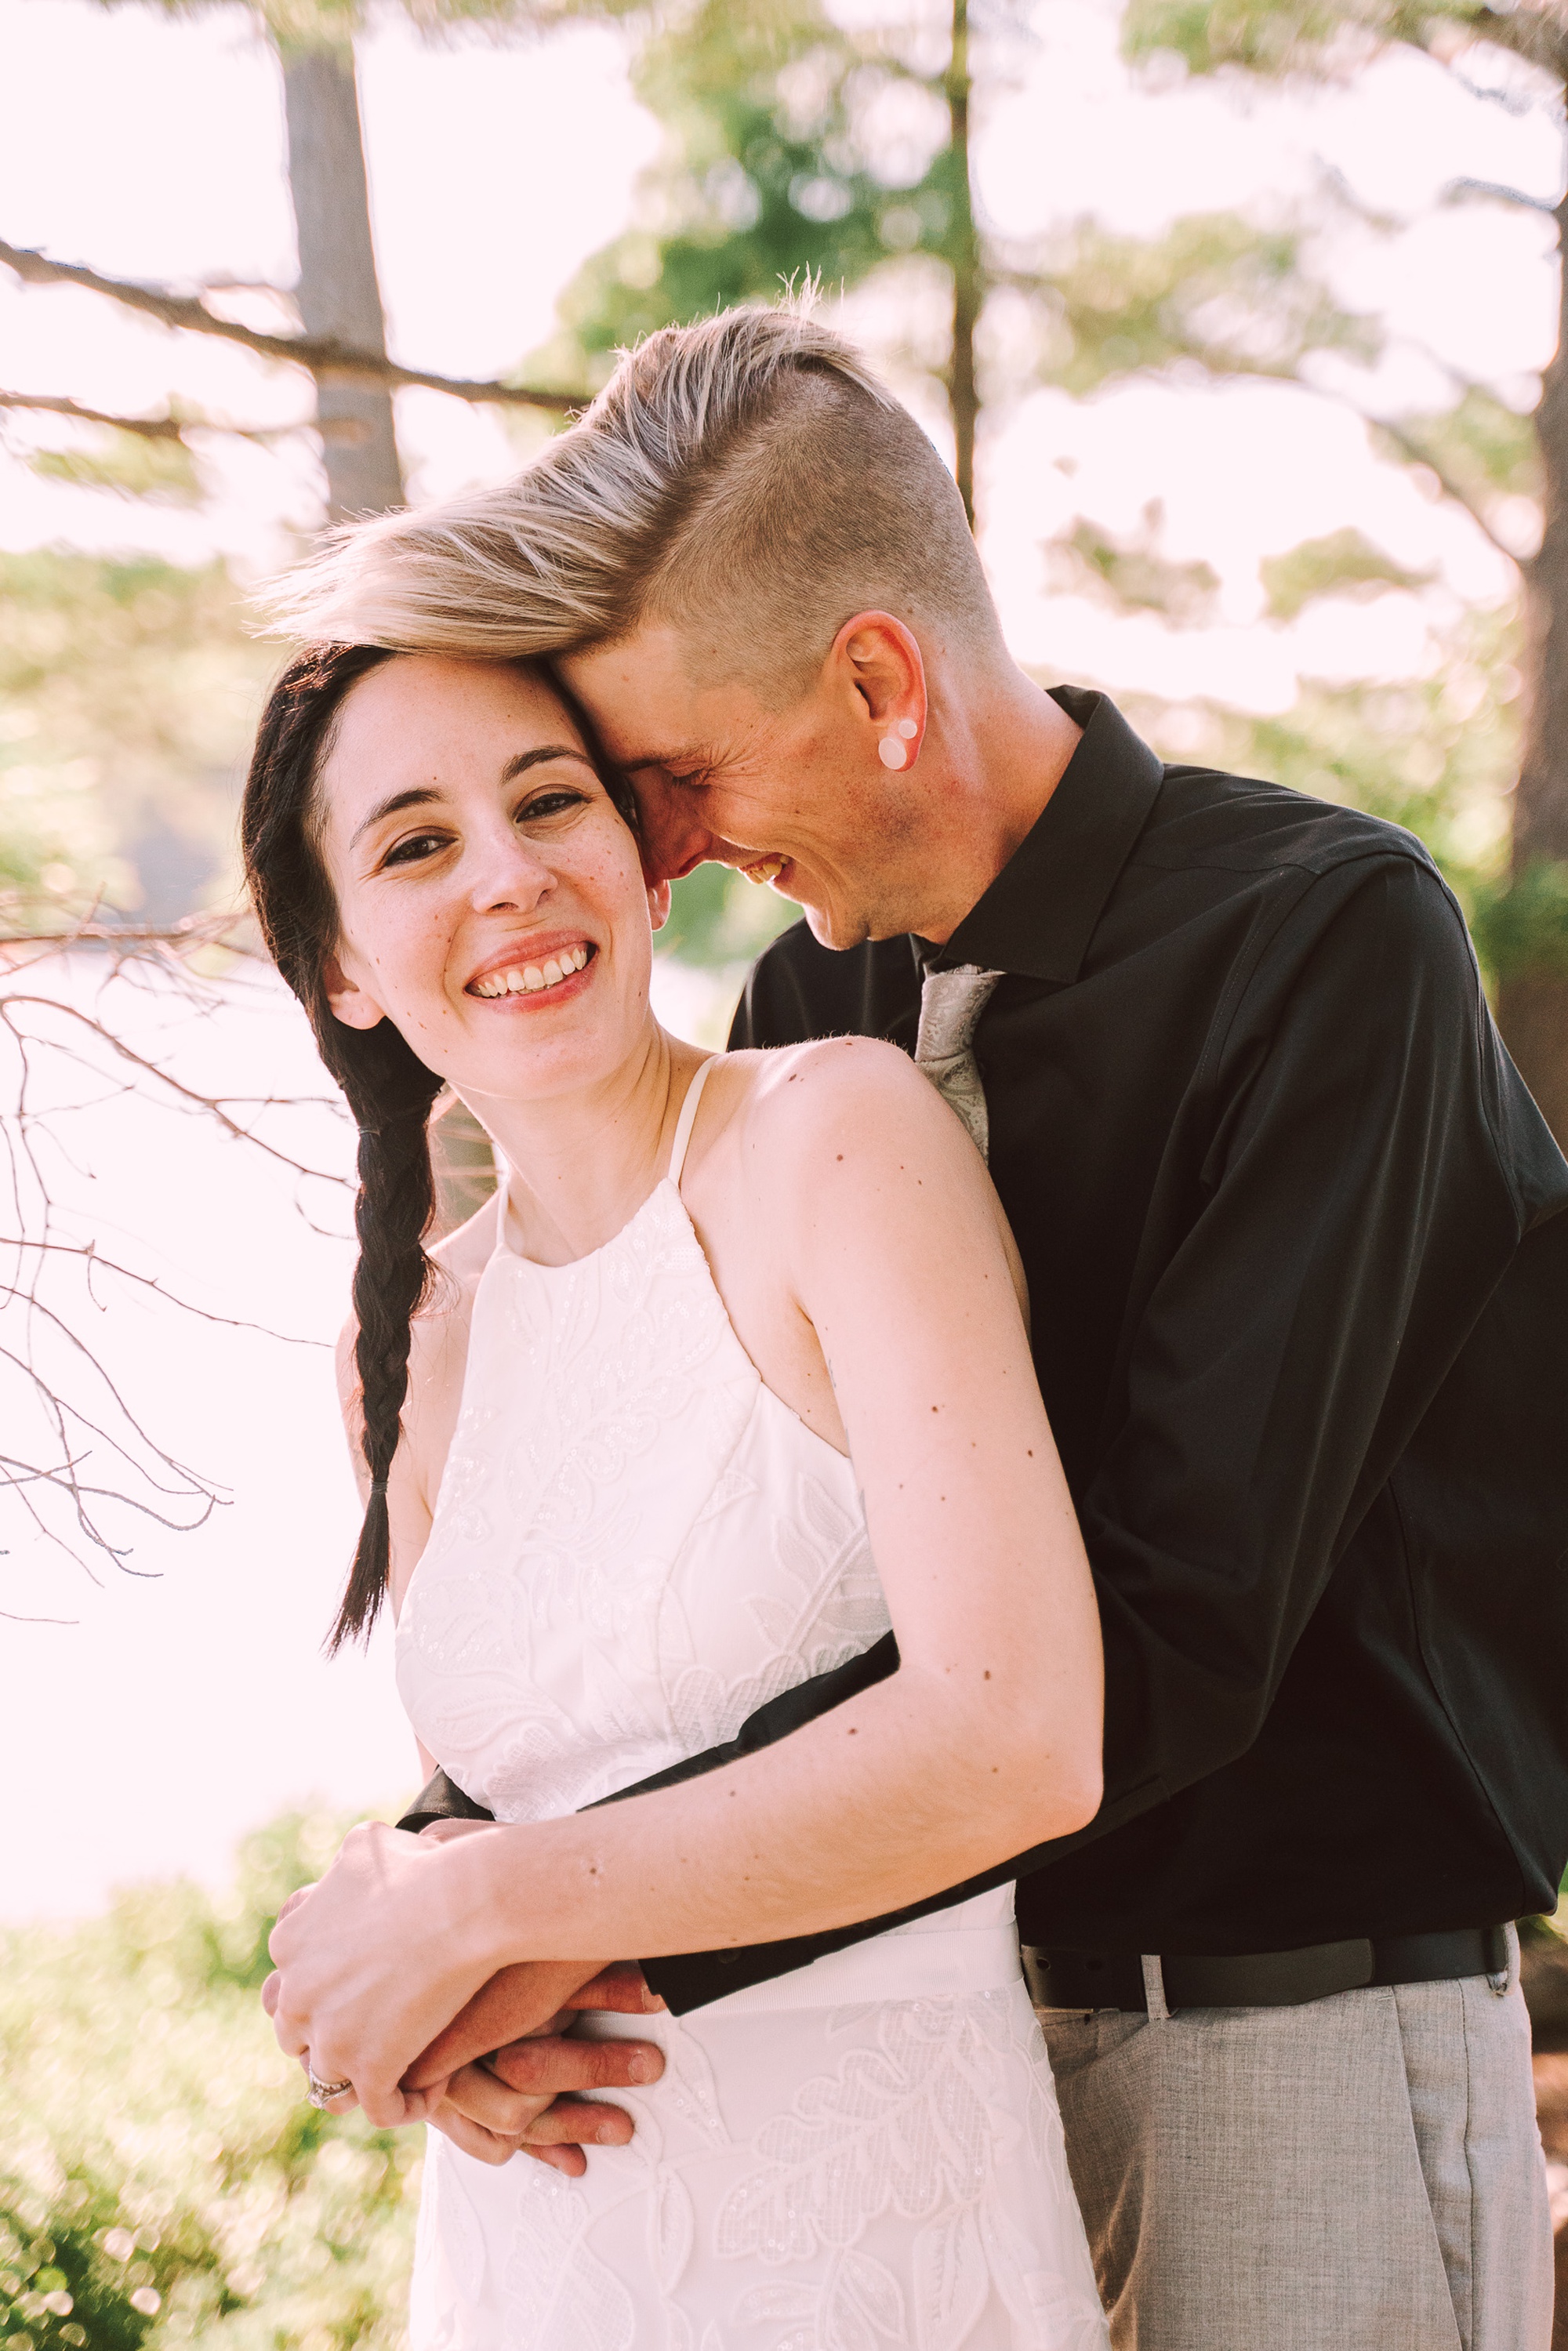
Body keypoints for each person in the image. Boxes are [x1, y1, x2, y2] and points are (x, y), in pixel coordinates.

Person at [263, 304, 1568, 2351]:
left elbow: (1161, 1636)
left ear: (878, 682)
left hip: (1283, 2040)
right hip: (926, 2057)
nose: (665, 847)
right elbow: (725, 1603)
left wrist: (557, 1938)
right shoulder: (818, 1013)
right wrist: (455, 1916)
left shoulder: (1325, 945)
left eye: (674, 772)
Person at [247, 640, 1111, 2348]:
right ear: (339, 960)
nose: (506, 874)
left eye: (547, 800)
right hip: (542, 2263)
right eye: (415, 843)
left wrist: (484, 1911)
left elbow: (1019, 1736)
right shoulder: (400, 1354)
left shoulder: (829, 1139)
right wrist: (439, 2037)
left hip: (879, 2251)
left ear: (645, 854)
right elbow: (513, 1791)